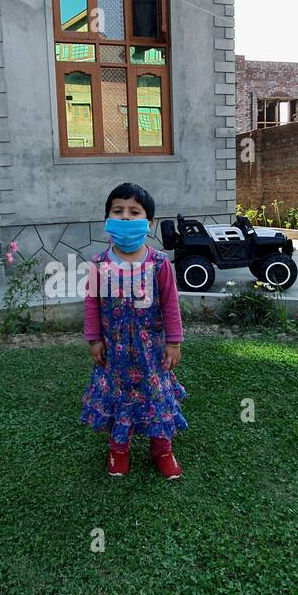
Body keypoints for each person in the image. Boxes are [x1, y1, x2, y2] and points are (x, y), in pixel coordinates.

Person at [79, 183, 187, 479]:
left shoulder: (160, 263)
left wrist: (174, 343)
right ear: (108, 219)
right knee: (119, 399)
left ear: (148, 222)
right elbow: (91, 304)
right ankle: (118, 450)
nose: (125, 217)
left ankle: (162, 449)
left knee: (156, 398)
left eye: (134, 212)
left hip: (152, 355)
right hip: (114, 355)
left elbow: (171, 305)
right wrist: (94, 340)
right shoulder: (98, 265)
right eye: (118, 211)